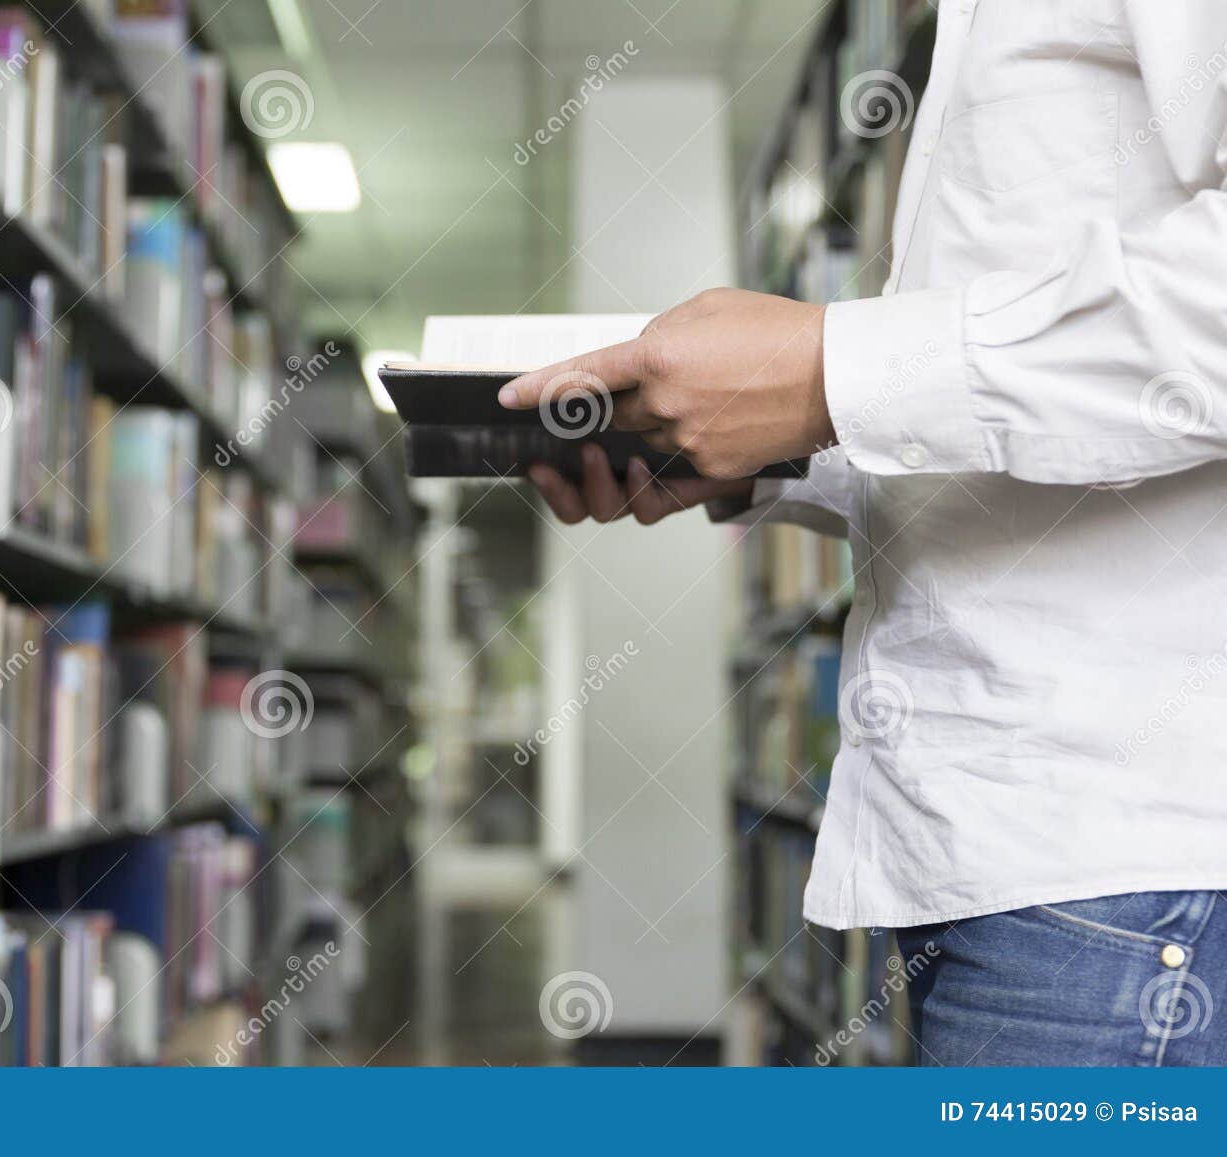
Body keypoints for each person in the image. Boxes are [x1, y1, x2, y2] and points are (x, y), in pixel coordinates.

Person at [501, 2, 1227, 1066]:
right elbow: (1023, 415)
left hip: (1120, 863)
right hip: (1007, 849)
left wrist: (828, 370)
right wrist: (775, 446)